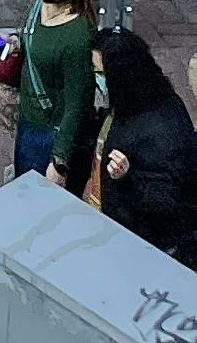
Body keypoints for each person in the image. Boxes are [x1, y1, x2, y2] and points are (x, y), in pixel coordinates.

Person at [71, 25, 197, 256]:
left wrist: (127, 177)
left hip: (139, 246)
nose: (97, 80)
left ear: (120, 76)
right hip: (113, 224)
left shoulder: (162, 129)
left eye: (101, 74)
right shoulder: (129, 102)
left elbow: (166, 203)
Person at [3, 0, 98, 179]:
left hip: (51, 132)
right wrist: (15, 44)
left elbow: (77, 102)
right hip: (29, 121)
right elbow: (32, 38)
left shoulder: (77, 36)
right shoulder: (40, 5)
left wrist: (59, 161)